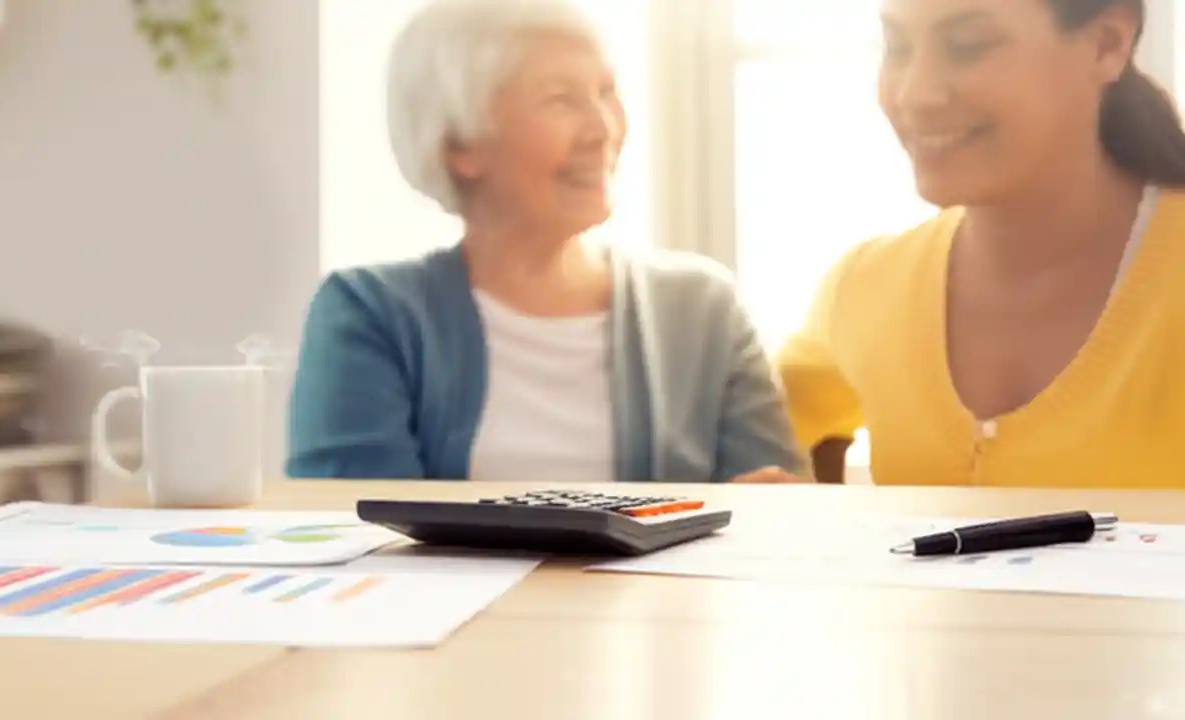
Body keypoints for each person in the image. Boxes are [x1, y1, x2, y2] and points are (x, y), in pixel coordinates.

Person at [287, 0, 807, 483]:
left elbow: (778, 518)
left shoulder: (703, 308)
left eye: (606, 92)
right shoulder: (367, 313)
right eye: (560, 100)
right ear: (461, 144)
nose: (604, 129)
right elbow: (358, 534)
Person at [778, 0, 1185, 488]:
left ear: (1106, 44)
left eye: (968, 46)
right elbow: (748, 449)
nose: (916, 93)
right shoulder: (867, 286)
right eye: (897, 47)